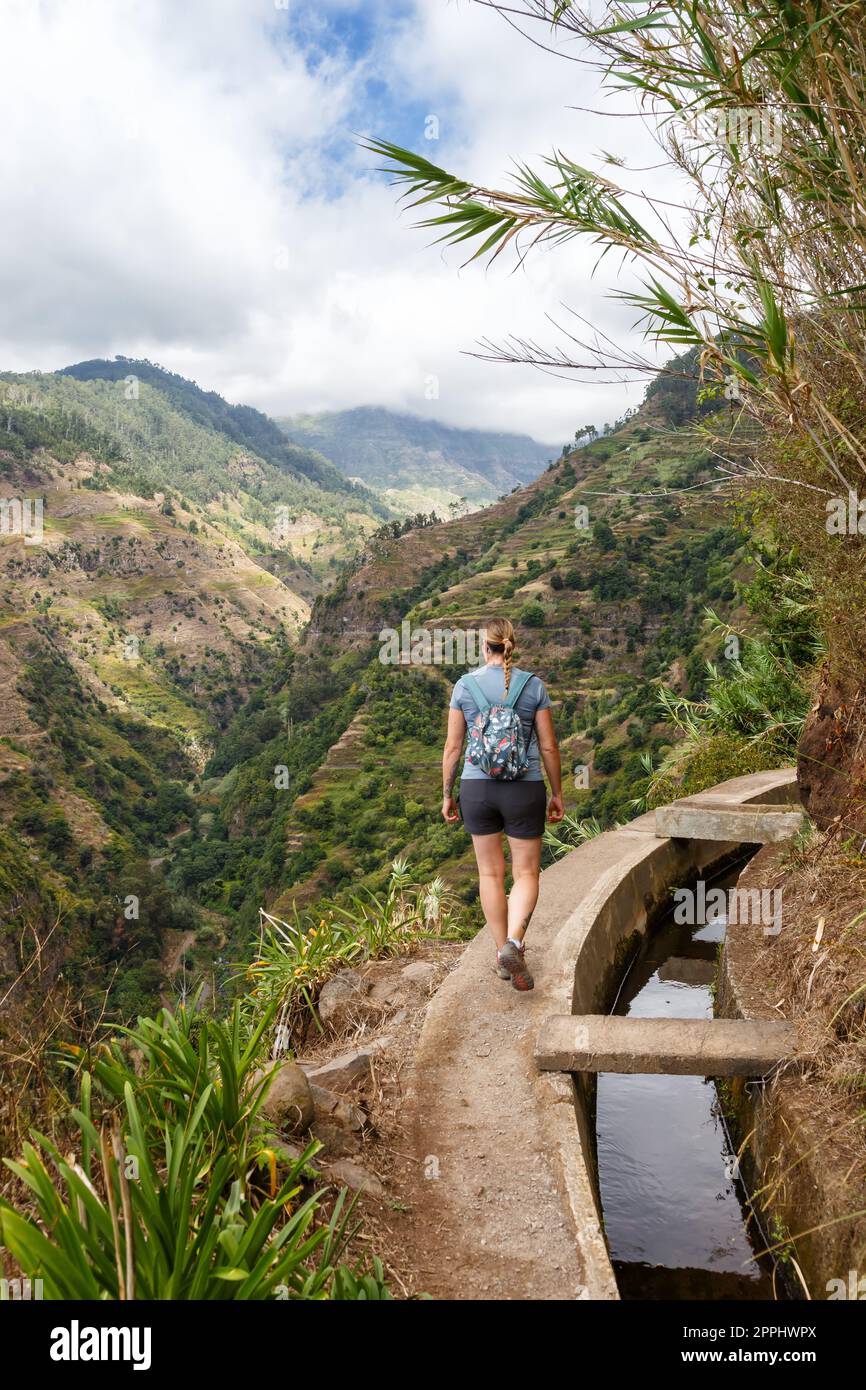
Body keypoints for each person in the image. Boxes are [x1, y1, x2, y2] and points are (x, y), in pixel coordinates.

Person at [441, 617, 564, 991]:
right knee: (525, 874)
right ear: (512, 645)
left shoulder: (464, 686)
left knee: (490, 874)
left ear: (485, 647)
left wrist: (447, 794)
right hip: (523, 789)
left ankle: (502, 957)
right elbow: (548, 747)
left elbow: (452, 748)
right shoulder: (533, 686)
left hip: (477, 789)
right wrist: (557, 792)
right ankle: (514, 942)